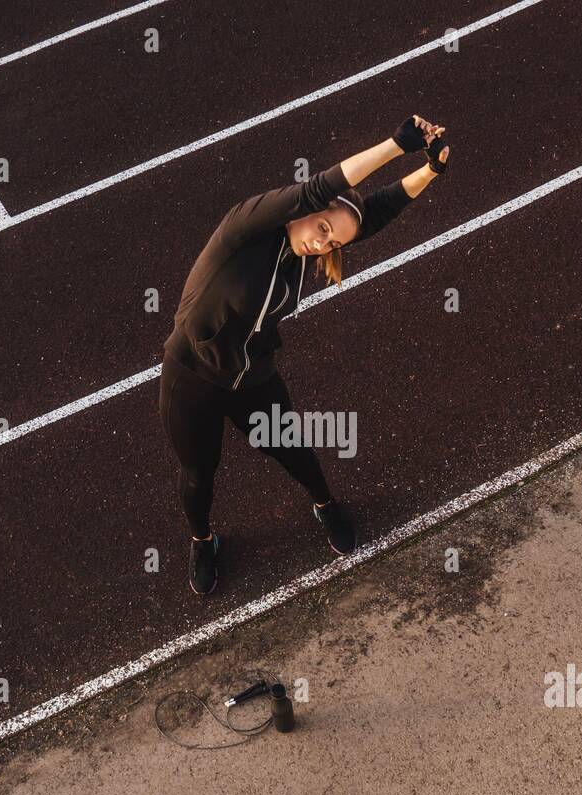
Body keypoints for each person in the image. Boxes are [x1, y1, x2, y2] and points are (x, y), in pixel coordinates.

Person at [161, 115, 451, 594]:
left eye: (332, 241)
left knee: (292, 448)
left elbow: (373, 215)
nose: (322, 242)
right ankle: (203, 539)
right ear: (302, 212)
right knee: (198, 473)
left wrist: (431, 172)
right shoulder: (244, 228)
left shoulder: (304, 256)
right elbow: (321, 188)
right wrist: (395, 145)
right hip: (193, 377)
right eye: (320, 227)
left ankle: (325, 505)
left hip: (252, 375)